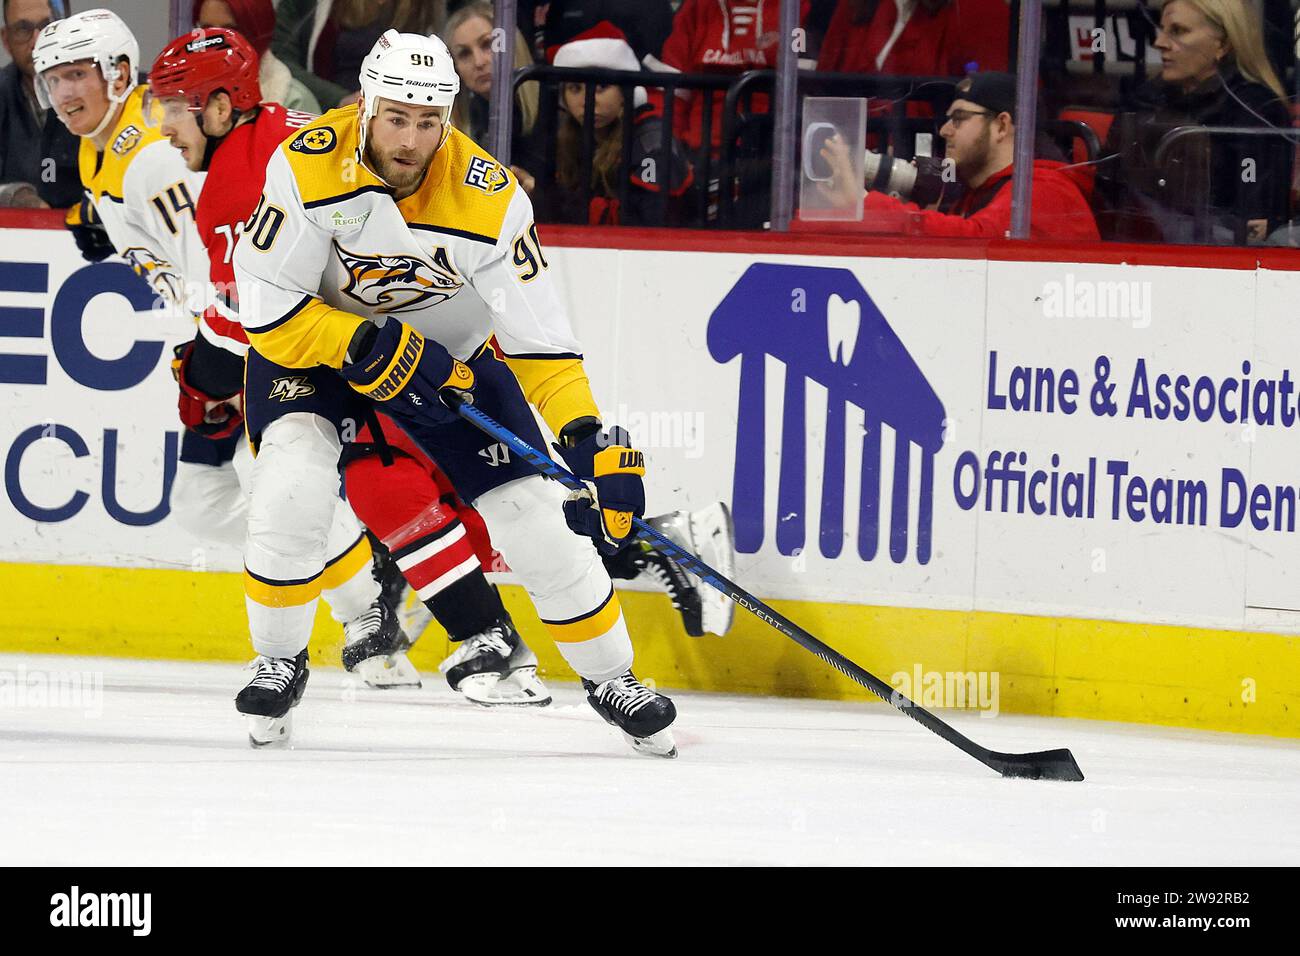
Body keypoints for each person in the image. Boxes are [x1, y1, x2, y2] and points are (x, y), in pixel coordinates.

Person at [232, 29, 682, 756]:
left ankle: (613, 677)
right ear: (367, 106)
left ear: (450, 117)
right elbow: (267, 309)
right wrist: (363, 345)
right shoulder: (308, 163)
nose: (411, 140)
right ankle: (279, 659)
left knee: (536, 517)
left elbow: (544, 347)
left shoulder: (491, 199)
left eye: (429, 120)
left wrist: (588, 439)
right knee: (289, 485)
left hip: (448, 362)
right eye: (396, 117)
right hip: (319, 354)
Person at [32, 10, 403, 732]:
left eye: (76, 74)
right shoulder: (99, 148)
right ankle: (366, 573)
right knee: (204, 503)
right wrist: (96, 216)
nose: (63, 93)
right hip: (207, 344)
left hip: (239, 344)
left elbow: (221, 265)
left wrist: (220, 356)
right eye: (52, 79)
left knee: (272, 489)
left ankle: (367, 620)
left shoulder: (155, 156)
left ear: (115, 73)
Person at [815, 71, 1101, 240]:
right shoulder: (977, 193)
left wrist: (865, 203)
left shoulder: (1046, 190)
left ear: (1002, 125)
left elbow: (974, 241)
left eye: (959, 118)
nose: (945, 130)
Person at [1097, 0, 1292, 245]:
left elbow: (1255, 223)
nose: (1160, 43)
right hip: (1126, 253)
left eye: (1178, 31)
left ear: (1223, 44)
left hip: (1214, 261)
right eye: (1162, 29)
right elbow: (1107, 194)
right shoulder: (1144, 100)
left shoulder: (1255, 110)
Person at [547, 21, 694, 226]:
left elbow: (646, 223)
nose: (587, 99)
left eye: (602, 87)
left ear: (626, 93)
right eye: (574, 88)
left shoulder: (652, 142)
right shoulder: (569, 136)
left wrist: (553, 200)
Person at [272, 0, 445, 112]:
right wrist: (339, 98)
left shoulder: (427, 7)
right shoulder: (310, 6)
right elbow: (281, 60)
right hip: (321, 110)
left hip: (399, 111)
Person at [443, 0, 540, 195]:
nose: (479, 62)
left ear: (513, 45)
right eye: (464, 54)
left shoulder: (554, 111)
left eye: (487, 44)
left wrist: (539, 191)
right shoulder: (455, 128)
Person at [0, 0, 82, 210]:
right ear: (6, 40)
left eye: (49, 26)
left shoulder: (105, 90)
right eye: (23, 29)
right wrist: (11, 196)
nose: (38, 41)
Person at [816, 0, 1010, 76]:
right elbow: (821, 88)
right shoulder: (855, 7)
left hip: (932, 160)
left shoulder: (981, 10)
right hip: (842, 154)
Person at [192, 0, 321, 113]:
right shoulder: (183, 94)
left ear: (259, 33)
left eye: (231, 31)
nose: (217, 41)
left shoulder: (296, 102)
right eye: (207, 30)